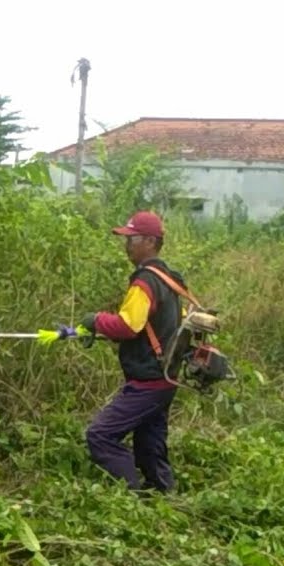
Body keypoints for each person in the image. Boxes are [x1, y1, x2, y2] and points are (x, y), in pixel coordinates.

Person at [77, 210, 187, 493]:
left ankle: (132, 494)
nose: (127, 245)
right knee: (150, 444)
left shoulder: (145, 282)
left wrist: (96, 321)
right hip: (166, 378)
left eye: (132, 239)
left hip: (148, 381)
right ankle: (163, 496)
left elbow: (128, 325)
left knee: (100, 436)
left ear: (150, 241)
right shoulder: (172, 280)